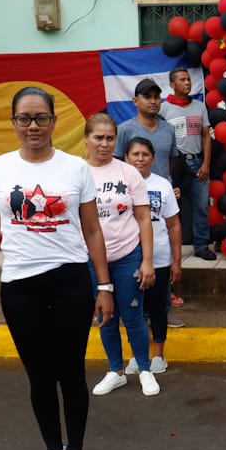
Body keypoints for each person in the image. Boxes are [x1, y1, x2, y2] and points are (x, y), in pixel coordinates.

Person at [0, 86, 113, 450]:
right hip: (20, 286)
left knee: (70, 372)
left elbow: (92, 229)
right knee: (39, 376)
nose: (32, 126)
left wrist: (103, 285)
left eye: (40, 118)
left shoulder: (76, 169)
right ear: (13, 122)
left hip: (70, 280)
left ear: (55, 122)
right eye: (24, 118)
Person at [84, 113, 160, 397]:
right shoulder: (78, 173)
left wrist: (147, 260)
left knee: (133, 315)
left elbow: (143, 219)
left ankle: (144, 369)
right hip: (91, 260)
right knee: (105, 316)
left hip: (128, 254)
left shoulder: (128, 173)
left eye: (110, 139)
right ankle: (115, 370)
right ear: (86, 139)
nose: (104, 144)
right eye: (98, 138)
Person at [123, 137, 182, 376]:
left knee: (157, 308)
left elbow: (174, 225)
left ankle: (158, 354)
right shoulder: (119, 184)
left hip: (158, 259)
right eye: (135, 154)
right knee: (132, 310)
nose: (140, 159)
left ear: (153, 158)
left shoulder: (162, 185)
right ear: (126, 158)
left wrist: (176, 261)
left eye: (145, 154)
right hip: (127, 259)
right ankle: (138, 354)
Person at [160, 67, 216, 260]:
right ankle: (168, 248)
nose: (187, 83)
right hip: (175, 164)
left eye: (188, 80)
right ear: (172, 85)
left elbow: (206, 136)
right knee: (170, 206)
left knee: (201, 205)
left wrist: (206, 164)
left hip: (196, 161)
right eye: (182, 80)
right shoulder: (164, 109)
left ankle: (201, 245)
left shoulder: (199, 106)